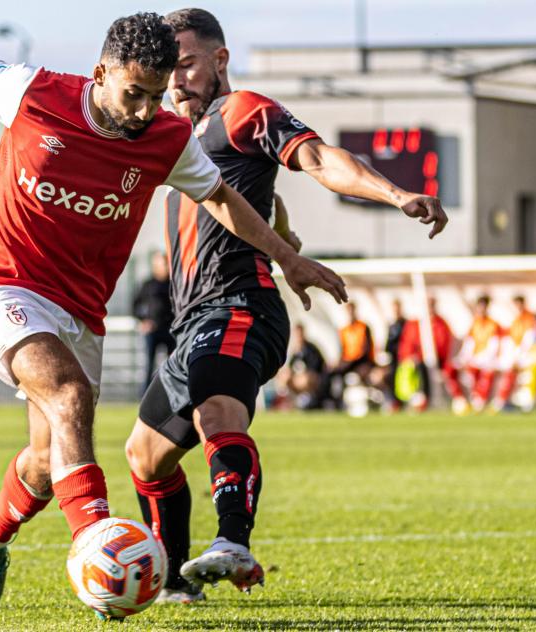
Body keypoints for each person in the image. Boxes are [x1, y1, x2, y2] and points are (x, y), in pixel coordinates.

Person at [0, 12, 341, 611]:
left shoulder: (164, 138)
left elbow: (221, 198)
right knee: (70, 395)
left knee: (46, 465)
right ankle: (97, 545)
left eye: (156, 97)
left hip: (80, 309)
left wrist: (288, 257)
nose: (144, 111)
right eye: (133, 94)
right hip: (5, 284)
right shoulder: (33, 90)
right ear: (100, 73)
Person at [123, 8, 448, 603]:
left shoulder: (244, 110)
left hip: (241, 304)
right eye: (170, 69)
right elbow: (255, 199)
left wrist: (396, 194)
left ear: (219, 60)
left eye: (188, 65)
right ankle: (174, 585)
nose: (176, 81)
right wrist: (286, 235)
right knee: (145, 456)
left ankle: (232, 541)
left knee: (217, 412)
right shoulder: (175, 133)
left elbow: (319, 159)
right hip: (194, 318)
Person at [397, 297, 461, 413]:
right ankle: (411, 400)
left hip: (439, 361)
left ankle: (458, 400)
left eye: (432, 305)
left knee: (449, 371)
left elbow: (445, 345)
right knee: (414, 370)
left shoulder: (441, 324)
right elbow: (407, 344)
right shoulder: (414, 324)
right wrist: (411, 356)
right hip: (417, 361)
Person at [132, 251, 176, 391]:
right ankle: (146, 394)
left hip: (171, 329)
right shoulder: (148, 284)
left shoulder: (174, 283)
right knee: (149, 364)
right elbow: (135, 306)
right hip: (153, 330)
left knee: (174, 363)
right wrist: (143, 321)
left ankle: (173, 391)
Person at [491, 295, 536, 412]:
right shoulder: (516, 320)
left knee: (514, 373)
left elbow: (528, 341)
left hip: (528, 356)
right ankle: (503, 400)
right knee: (507, 372)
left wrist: (519, 357)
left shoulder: (529, 319)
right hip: (517, 355)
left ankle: (504, 400)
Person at [457, 295, 501, 412]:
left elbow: (494, 345)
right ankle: (466, 400)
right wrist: (464, 358)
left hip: (487, 359)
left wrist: (487, 358)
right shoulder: (474, 324)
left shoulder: (493, 325)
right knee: (465, 374)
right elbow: (469, 344)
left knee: (487, 373)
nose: (481, 310)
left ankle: (481, 400)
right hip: (475, 359)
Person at [273, 324, 327, 410]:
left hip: (313, 379)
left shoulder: (311, 349)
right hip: (297, 379)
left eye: (300, 334)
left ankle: (306, 398)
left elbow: (315, 368)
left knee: (306, 379)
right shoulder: (295, 351)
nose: (298, 337)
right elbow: (291, 367)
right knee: (284, 375)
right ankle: (285, 399)